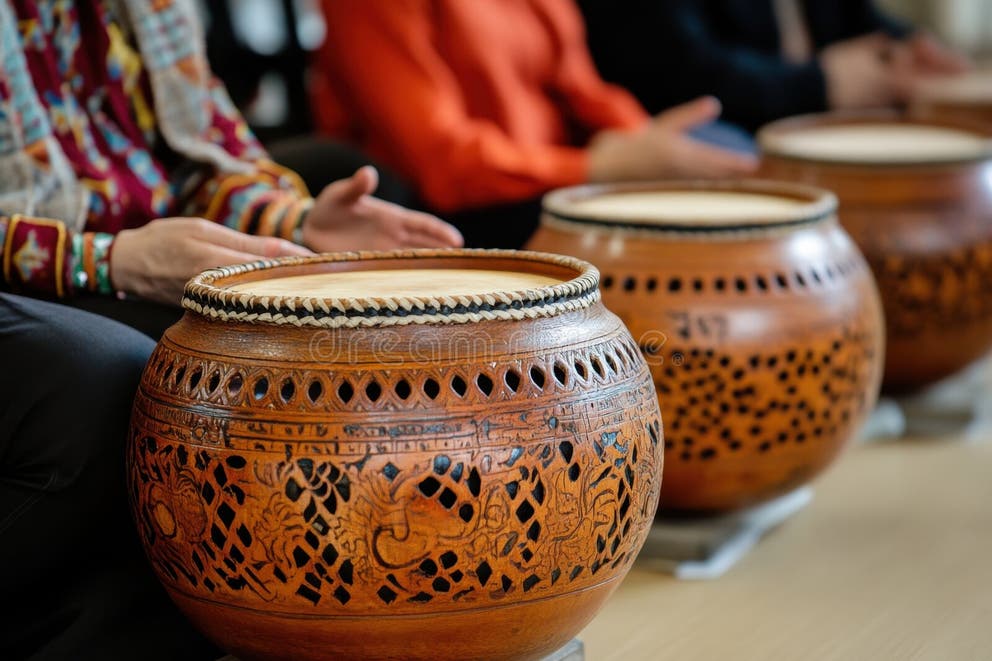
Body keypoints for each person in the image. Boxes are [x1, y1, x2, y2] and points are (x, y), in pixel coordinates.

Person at [0, 1, 461, 659]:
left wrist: (293, 221)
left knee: (325, 296)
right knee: (133, 370)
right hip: (50, 265)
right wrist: (107, 259)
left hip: (122, 247)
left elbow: (195, 160)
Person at [309, 0, 758, 249]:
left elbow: (581, 89)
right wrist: (599, 169)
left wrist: (649, 146)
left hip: (551, 181)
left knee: (722, 149)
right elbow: (445, 166)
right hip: (452, 214)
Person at [579, 0, 973, 133]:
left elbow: (856, 17)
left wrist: (909, 46)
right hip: (703, 122)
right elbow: (674, 69)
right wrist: (819, 84)